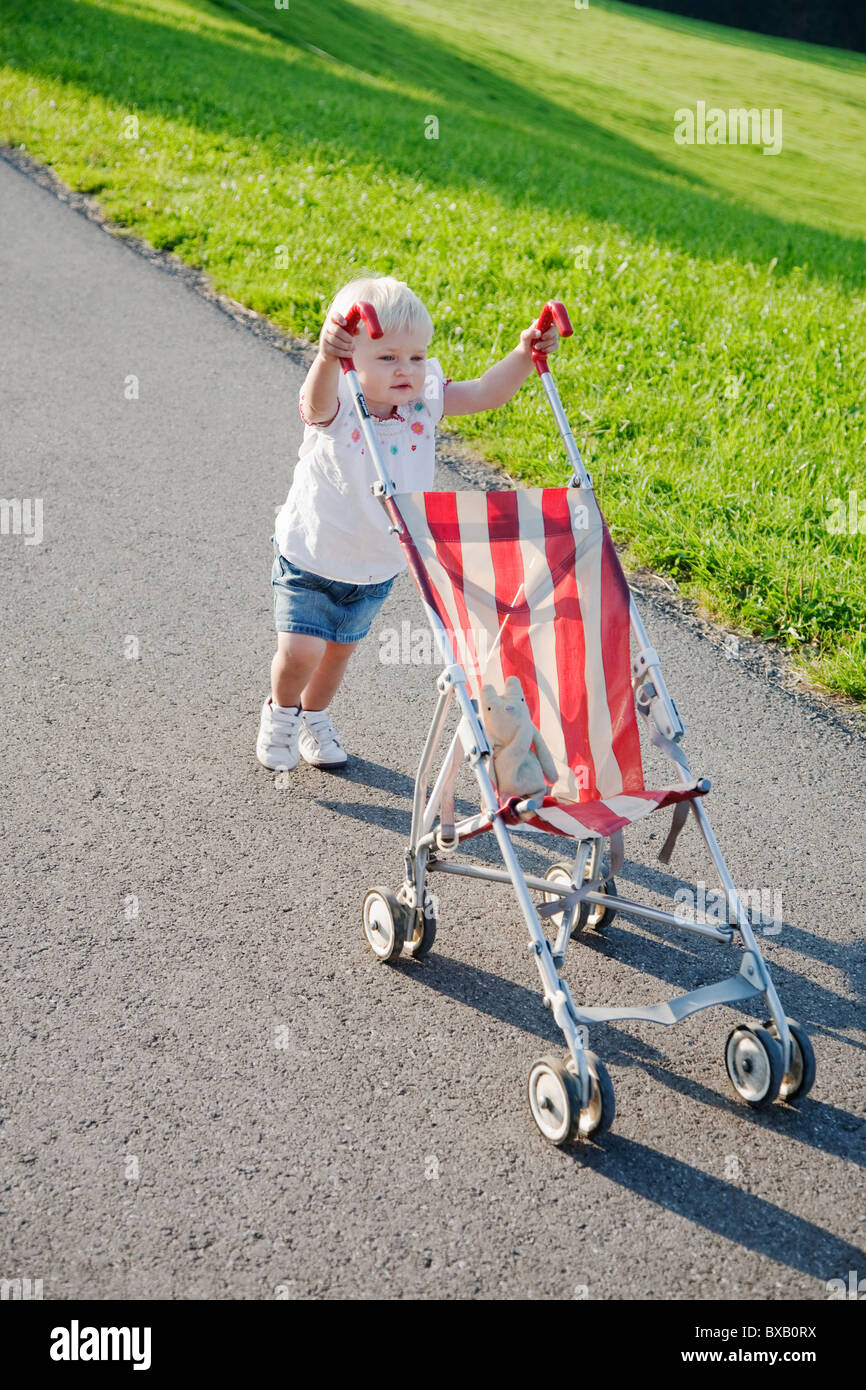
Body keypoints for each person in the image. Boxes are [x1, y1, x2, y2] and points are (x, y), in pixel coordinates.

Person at [256, 274, 560, 772]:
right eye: (388, 357)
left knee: (337, 654)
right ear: (352, 359)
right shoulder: (341, 401)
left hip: (377, 563)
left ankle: (314, 716)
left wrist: (525, 354)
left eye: (416, 357)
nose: (407, 369)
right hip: (313, 553)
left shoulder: (422, 403)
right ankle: (281, 712)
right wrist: (327, 357)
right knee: (301, 650)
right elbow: (314, 406)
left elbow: (486, 392)